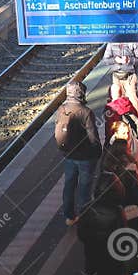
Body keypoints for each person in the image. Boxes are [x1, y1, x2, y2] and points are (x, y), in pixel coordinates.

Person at [55, 80, 101, 226]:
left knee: (69, 184)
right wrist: (98, 151)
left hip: (69, 155)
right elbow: (93, 137)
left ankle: (69, 216)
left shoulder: (62, 109)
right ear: (81, 94)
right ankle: (85, 217)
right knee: (85, 187)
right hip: (86, 157)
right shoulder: (85, 112)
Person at [77, 171, 128, 275]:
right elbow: (123, 236)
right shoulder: (118, 211)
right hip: (114, 259)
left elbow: (81, 235)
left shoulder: (86, 209)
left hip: (92, 258)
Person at [103, 42, 138, 112]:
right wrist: (115, 60)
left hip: (130, 76)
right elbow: (106, 60)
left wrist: (129, 60)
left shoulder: (134, 43)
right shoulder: (111, 43)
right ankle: (117, 119)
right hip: (116, 76)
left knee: (133, 99)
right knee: (116, 99)